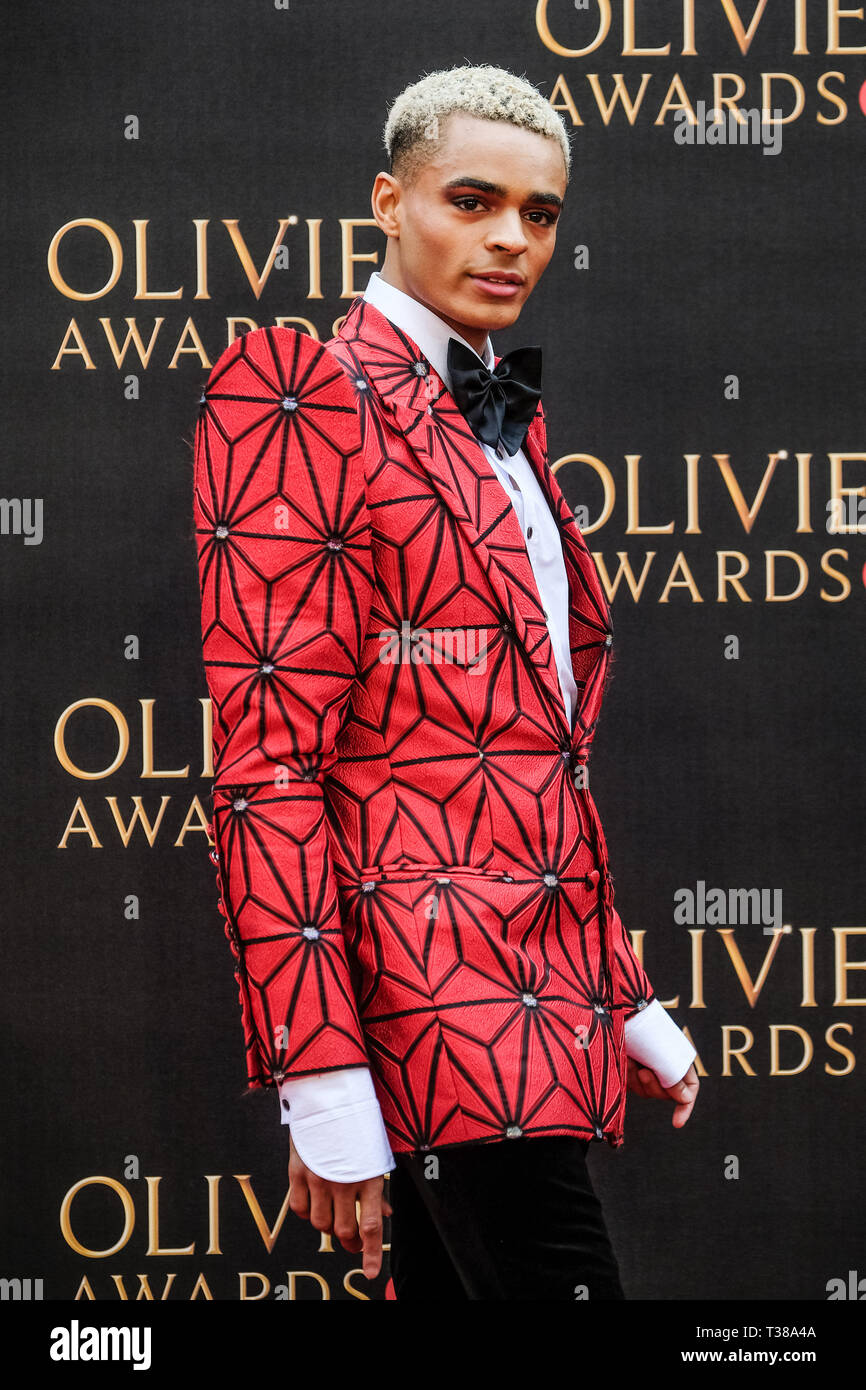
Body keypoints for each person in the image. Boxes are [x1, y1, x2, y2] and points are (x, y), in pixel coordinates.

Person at [192, 62, 699, 1301]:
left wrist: (618, 998)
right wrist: (322, 1082)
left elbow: (525, 753)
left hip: (541, 994)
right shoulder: (303, 397)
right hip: (418, 1002)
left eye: (538, 213)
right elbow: (266, 763)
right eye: (470, 201)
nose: (508, 240)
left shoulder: (505, 422)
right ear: (386, 200)